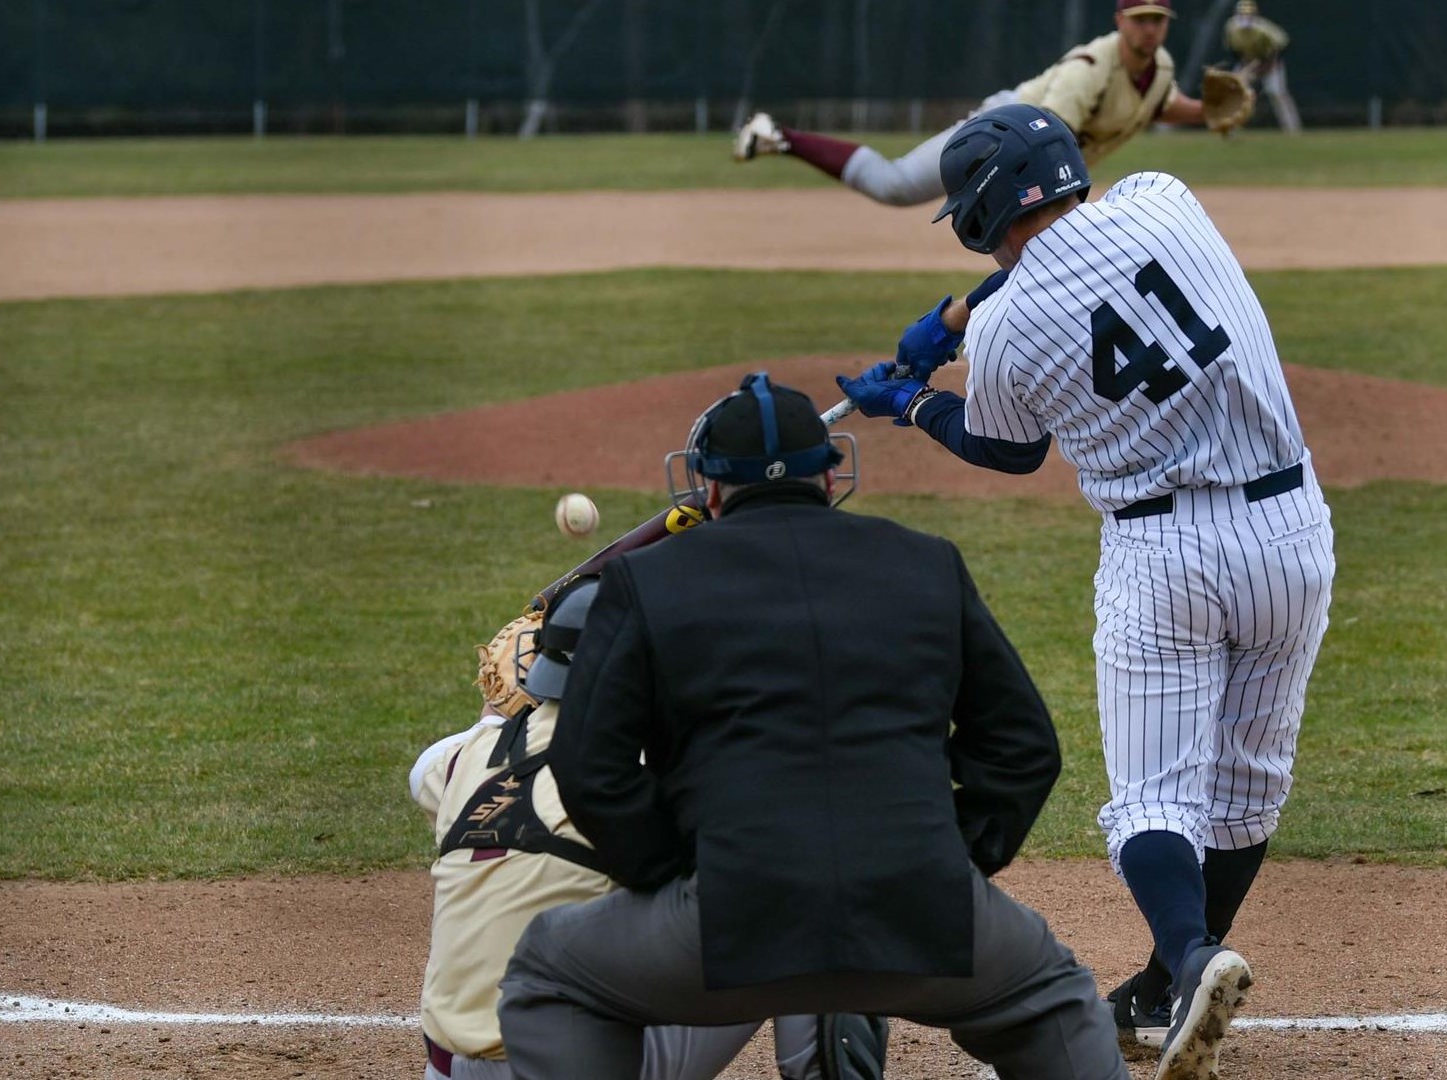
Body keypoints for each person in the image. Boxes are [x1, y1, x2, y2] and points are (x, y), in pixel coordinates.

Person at [834, 102, 1336, 1080]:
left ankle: (1188, 963)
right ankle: (1161, 987)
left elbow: (1007, 450)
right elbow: (1072, 260)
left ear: (979, 209)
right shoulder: (1166, 200)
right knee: (1246, 784)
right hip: (1289, 531)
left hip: (1164, 555)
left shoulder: (1011, 326)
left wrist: (916, 397)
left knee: (1151, 797)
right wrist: (953, 316)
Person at [495, 373, 1128, 1080]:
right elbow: (1022, 750)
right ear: (830, 476)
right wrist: (952, 861)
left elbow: (589, 769)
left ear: (706, 487)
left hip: (725, 928)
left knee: (548, 974)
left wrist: (670, 872)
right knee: (1051, 995)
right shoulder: (927, 565)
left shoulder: (644, 582)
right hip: (924, 916)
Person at [411, 594, 874, 1080]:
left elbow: (423, 769)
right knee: (814, 896)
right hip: (572, 1065)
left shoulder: (469, 757)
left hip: (448, 1070)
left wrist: (492, 713)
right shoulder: (654, 762)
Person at [733, 0, 1245, 206]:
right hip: (1001, 134)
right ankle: (779, 136)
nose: (1150, 27)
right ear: (1120, 20)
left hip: (1035, 154)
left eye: (1158, 19)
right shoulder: (1090, 68)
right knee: (895, 186)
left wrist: (1204, 112)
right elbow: (1050, 137)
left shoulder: (1161, 70)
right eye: (1141, 18)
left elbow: (1158, 103)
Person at [1223, 0, 1300, 134]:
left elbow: (1279, 49)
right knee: (1235, 92)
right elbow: (1234, 50)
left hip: (1270, 63)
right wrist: (1245, 68)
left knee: (1276, 92)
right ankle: (1230, 129)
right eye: (1242, 14)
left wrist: (1264, 66)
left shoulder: (1264, 30)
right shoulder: (1232, 27)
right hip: (1247, 62)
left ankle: (1293, 129)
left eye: (1248, 15)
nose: (1245, 18)